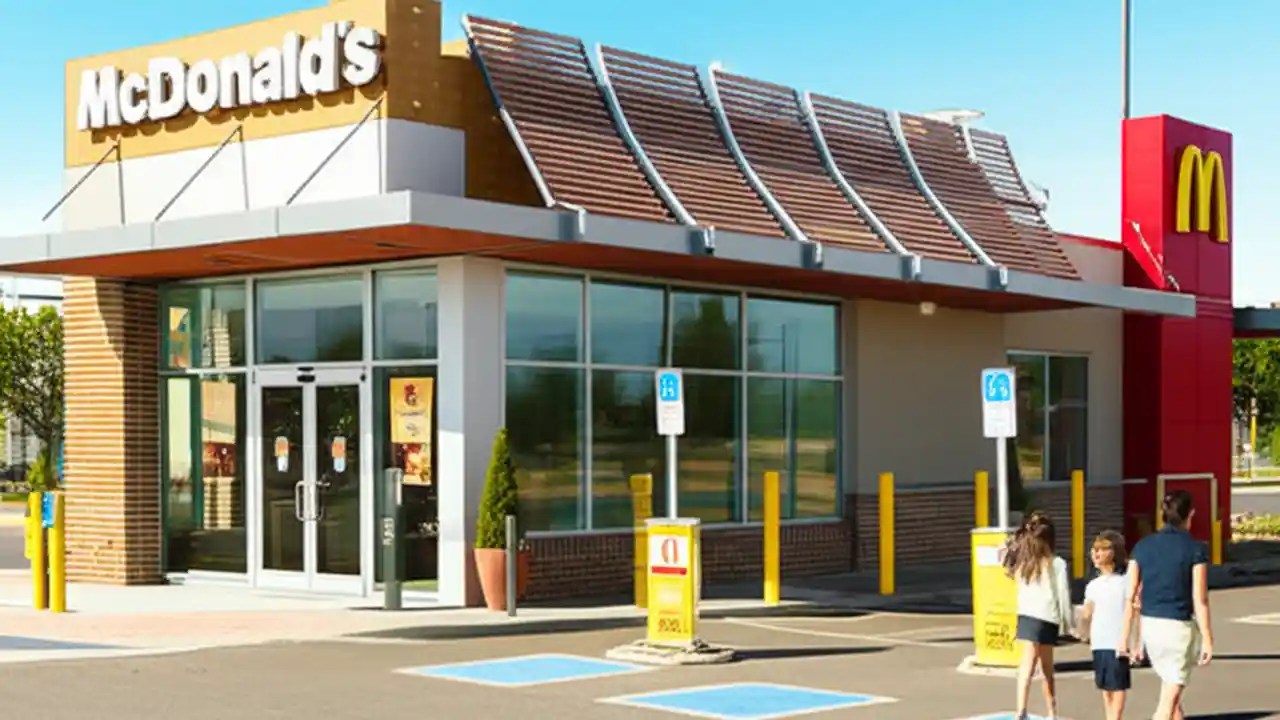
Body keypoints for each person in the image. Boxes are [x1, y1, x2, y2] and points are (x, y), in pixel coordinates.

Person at [1120, 490, 1214, 720]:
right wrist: (1208, 639)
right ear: (1190, 514)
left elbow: (1130, 595)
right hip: (1178, 629)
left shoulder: (1142, 547)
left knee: (1172, 696)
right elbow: (1199, 599)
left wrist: (1126, 637)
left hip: (1151, 627)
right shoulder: (1195, 549)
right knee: (1166, 705)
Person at [1005, 511, 1075, 720]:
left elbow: (1017, 586)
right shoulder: (1057, 564)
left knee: (1025, 666)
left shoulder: (1024, 564)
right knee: (1046, 668)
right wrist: (1068, 623)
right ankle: (1051, 711)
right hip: (1047, 618)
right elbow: (1062, 595)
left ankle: (1021, 710)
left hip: (1026, 616)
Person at [1079, 530, 1136, 719]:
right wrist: (1082, 629)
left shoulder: (1125, 581)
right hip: (1099, 642)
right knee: (1105, 686)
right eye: (1094, 549)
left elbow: (1133, 610)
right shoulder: (1093, 585)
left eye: (1102, 549)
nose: (1096, 553)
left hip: (1117, 641)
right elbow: (1087, 613)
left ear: (1115, 552)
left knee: (1118, 685)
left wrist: (1132, 641)